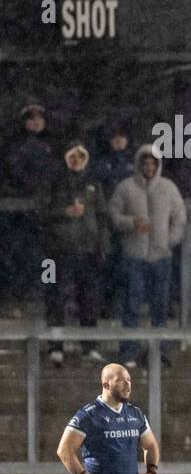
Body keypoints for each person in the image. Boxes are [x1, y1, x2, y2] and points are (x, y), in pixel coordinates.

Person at [108, 146, 186, 368]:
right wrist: (131, 223)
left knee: (160, 306)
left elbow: (179, 218)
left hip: (161, 257)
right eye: (145, 163)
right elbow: (113, 215)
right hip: (134, 256)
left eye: (153, 164)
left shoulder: (168, 188)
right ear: (138, 164)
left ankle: (160, 352)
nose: (149, 167)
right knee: (131, 305)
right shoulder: (125, 188)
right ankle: (128, 352)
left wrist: (169, 241)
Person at [42, 139, 109, 365]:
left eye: (81, 157)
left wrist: (102, 245)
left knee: (89, 298)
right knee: (57, 296)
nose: (77, 161)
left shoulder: (94, 183)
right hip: (59, 250)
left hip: (87, 250)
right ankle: (55, 346)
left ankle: (88, 346)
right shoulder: (55, 182)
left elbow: (102, 216)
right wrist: (65, 212)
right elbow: (43, 209)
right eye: (73, 156)